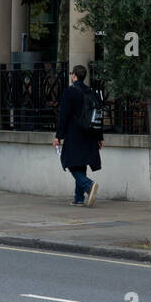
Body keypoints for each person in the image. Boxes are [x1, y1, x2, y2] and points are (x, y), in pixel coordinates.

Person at [54, 65, 101, 206]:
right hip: (90, 133)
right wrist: (99, 137)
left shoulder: (70, 92)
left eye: (71, 74)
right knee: (80, 163)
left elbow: (64, 115)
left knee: (69, 161)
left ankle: (88, 185)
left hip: (74, 133)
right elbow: (98, 115)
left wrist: (58, 136)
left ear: (74, 75)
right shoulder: (92, 92)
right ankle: (78, 198)